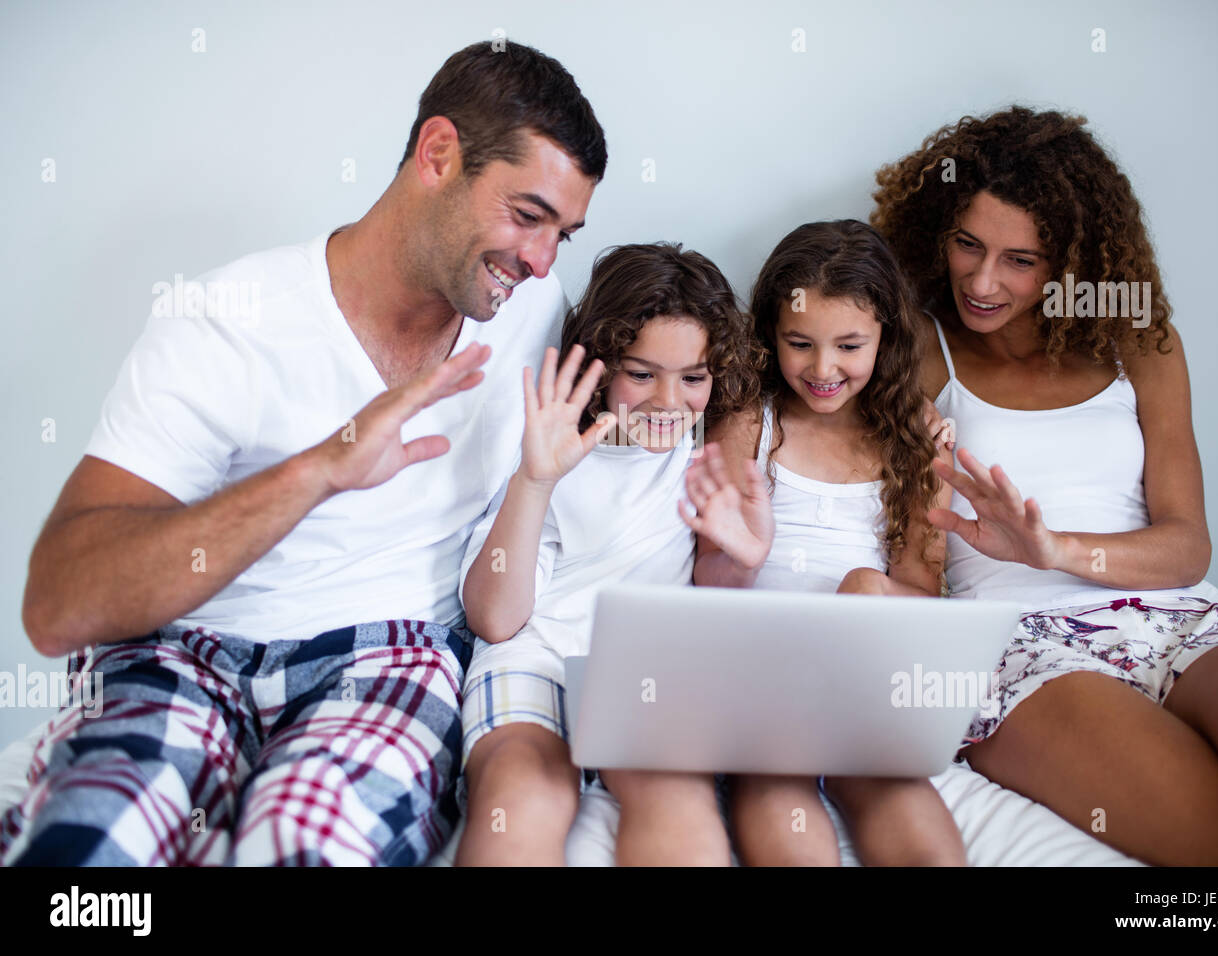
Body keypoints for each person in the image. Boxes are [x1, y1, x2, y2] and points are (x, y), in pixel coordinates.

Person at [1, 40, 607, 866]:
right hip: (183, 652)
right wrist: (320, 468)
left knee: (306, 840)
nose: (539, 262)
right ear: (438, 154)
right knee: (96, 843)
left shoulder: (541, 322)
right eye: (527, 215)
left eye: (562, 235)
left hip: (387, 654)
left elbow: (669, 403)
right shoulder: (226, 317)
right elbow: (58, 604)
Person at [871, 105, 1218, 865]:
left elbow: (1186, 547)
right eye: (967, 243)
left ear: (1071, 262)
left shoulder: (1143, 344)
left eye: (1021, 260)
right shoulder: (921, 350)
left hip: (1172, 614)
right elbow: (909, 558)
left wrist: (1056, 547)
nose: (982, 279)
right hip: (1023, 646)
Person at [455, 242, 765, 865]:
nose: (669, 402)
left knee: (673, 792)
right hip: (536, 654)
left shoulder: (702, 458)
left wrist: (745, 558)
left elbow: (713, 586)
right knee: (521, 789)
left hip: (645, 664)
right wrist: (536, 482)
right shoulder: (550, 447)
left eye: (694, 379)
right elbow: (494, 620)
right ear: (599, 365)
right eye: (642, 374)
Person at [685, 220, 963, 865]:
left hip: (860, 667)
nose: (823, 368)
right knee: (775, 784)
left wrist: (869, 592)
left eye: (849, 345)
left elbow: (924, 592)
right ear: (771, 335)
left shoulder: (917, 431)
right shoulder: (749, 420)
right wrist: (738, 551)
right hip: (762, 664)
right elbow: (712, 577)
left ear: (885, 338)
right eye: (799, 343)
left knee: (892, 786)